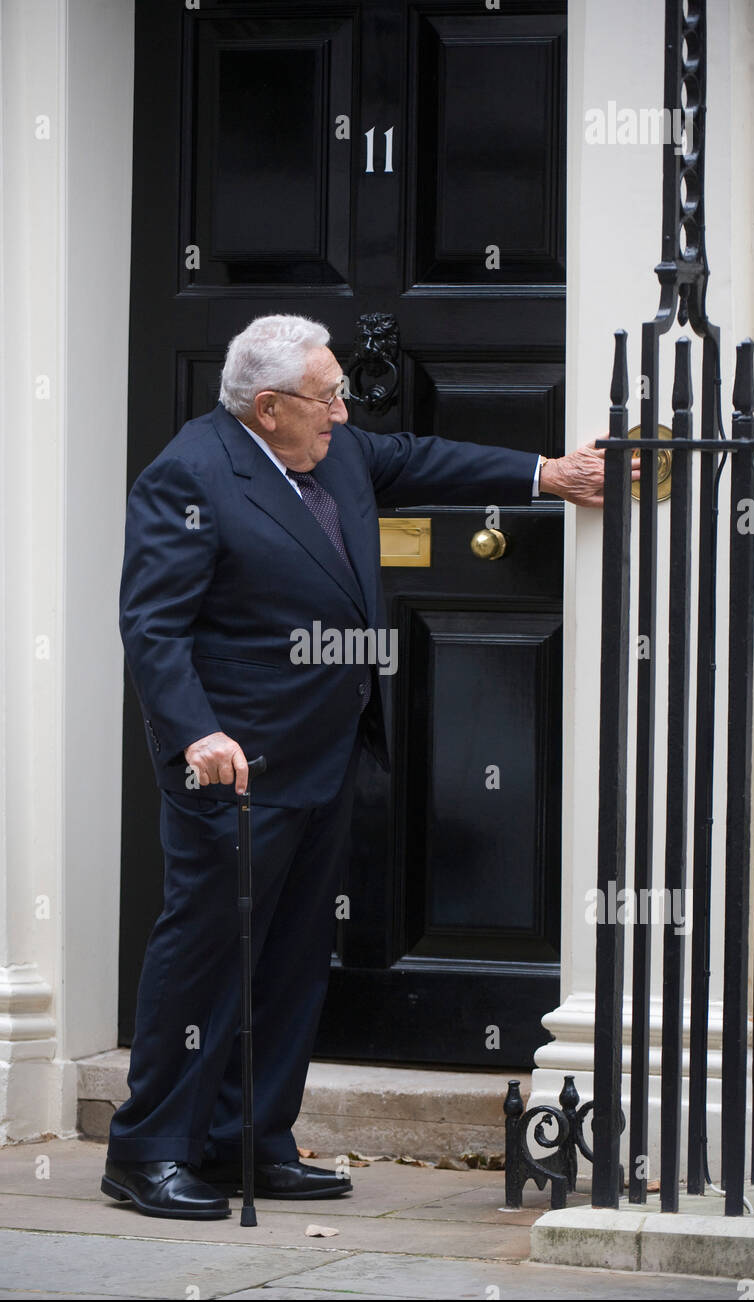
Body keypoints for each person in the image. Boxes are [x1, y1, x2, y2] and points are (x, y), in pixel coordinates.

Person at [101, 313, 620, 1220]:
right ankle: (148, 1151)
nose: (345, 410)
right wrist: (195, 734)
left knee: (295, 955)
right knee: (207, 953)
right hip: (233, 765)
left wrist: (546, 474)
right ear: (267, 408)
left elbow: (419, 458)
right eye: (328, 395)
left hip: (325, 749)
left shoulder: (331, 451)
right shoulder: (189, 474)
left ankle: (248, 1144)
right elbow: (153, 625)